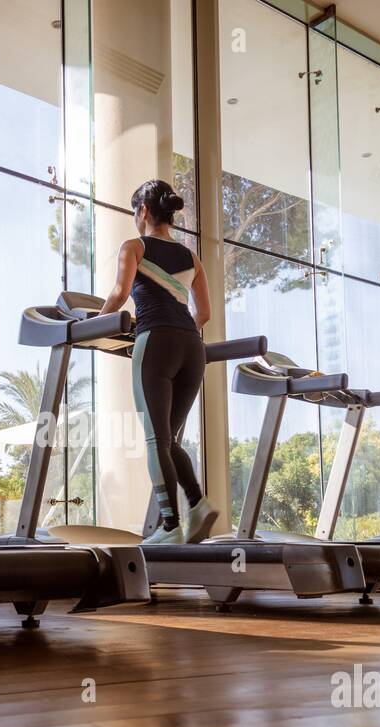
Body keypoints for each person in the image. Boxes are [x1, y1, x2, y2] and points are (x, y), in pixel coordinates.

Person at [98, 179, 219, 545]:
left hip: (156, 343)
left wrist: (94, 325)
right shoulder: (191, 257)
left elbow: (119, 294)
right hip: (192, 348)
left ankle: (170, 527)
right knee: (168, 440)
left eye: (136, 212)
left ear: (144, 211)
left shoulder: (133, 246)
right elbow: (205, 314)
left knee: (155, 439)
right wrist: (179, 330)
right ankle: (198, 504)